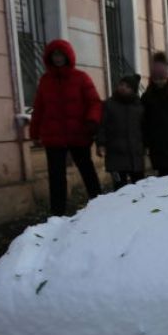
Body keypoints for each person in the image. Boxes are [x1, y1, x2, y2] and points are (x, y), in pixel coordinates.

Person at [30, 39, 103, 216]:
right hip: (53, 136)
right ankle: (57, 215)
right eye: (54, 55)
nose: (58, 58)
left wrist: (92, 120)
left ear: (68, 56)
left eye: (61, 54)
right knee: (56, 177)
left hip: (79, 133)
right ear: (50, 57)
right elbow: (39, 107)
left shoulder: (81, 77)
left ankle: (100, 206)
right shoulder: (45, 81)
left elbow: (94, 102)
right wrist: (34, 132)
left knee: (87, 170)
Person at [96, 74, 146, 189]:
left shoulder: (139, 106)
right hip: (115, 155)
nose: (123, 88)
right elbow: (102, 126)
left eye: (127, 86)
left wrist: (145, 145)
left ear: (133, 90)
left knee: (139, 187)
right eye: (121, 84)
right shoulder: (109, 104)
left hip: (135, 156)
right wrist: (101, 144)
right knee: (119, 188)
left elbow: (144, 128)